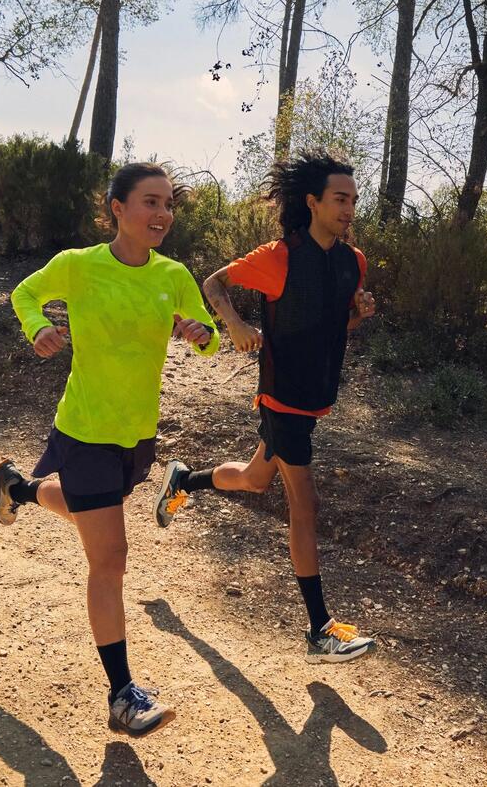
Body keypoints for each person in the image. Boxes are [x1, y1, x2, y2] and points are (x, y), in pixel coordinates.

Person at [0, 162, 219, 736]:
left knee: (95, 515)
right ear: (117, 207)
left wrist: (198, 334)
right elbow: (26, 292)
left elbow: (210, 339)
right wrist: (37, 327)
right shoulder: (81, 265)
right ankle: (122, 695)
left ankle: (19, 488)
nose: (162, 213)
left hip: (137, 434)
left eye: (168, 203)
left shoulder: (173, 274)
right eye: (149, 201)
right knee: (110, 557)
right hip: (87, 427)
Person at [151, 150, 379, 664]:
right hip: (281, 396)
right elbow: (213, 283)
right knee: (305, 501)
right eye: (340, 199)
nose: (349, 209)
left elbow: (332, 326)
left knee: (256, 479)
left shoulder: (353, 262)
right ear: (313, 202)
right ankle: (319, 628)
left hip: (315, 395)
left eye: (353, 200)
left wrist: (358, 313)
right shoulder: (278, 256)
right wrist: (234, 323)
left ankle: (185, 481)